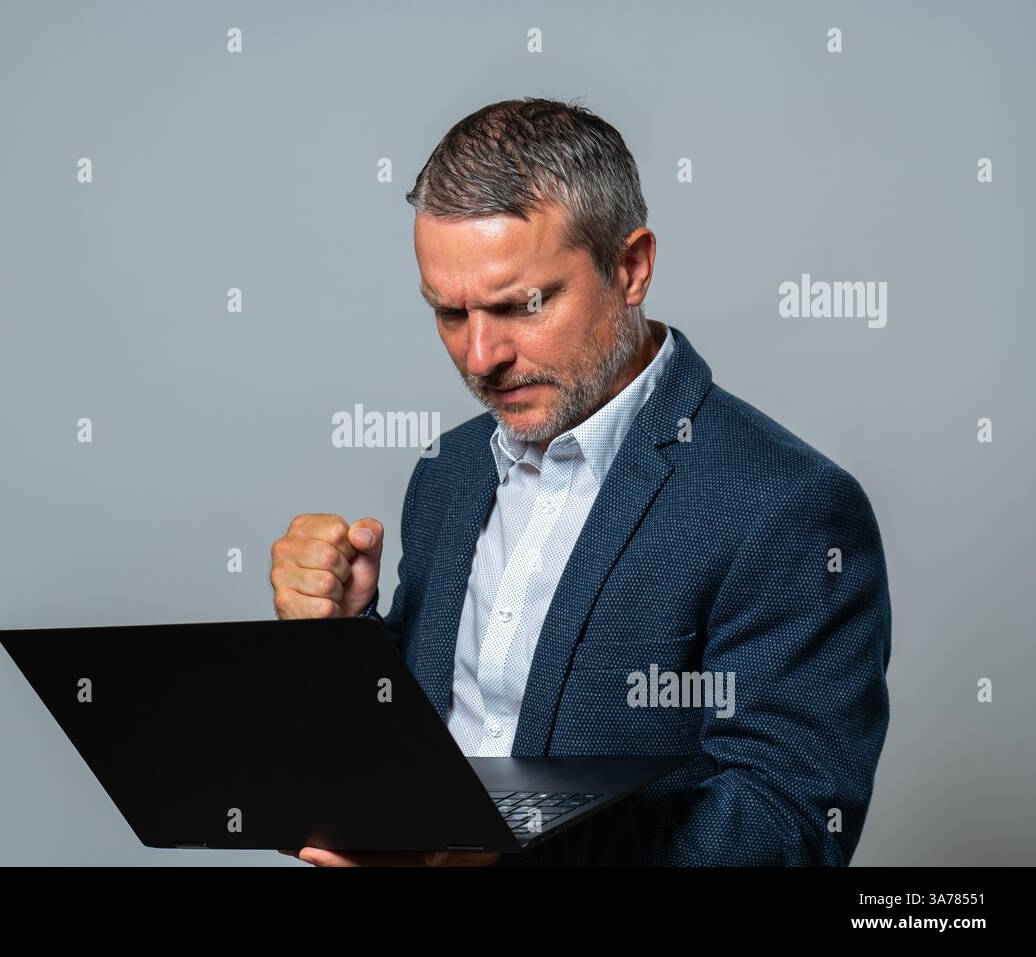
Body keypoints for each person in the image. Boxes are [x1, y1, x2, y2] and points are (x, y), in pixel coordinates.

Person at [269, 97, 891, 867]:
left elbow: (787, 828)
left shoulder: (787, 506)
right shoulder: (448, 472)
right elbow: (422, 735)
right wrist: (342, 634)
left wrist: (489, 857)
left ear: (630, 268)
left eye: (520, 304)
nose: (479, 356)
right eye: (449, 313)